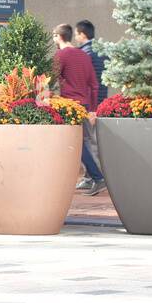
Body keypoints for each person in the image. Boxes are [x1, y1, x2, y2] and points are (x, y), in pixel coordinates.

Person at [53, 23, 106, 196]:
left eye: (54, 36)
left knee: (76, 144)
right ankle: (92, 177)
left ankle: (98, 178)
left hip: (69, 106)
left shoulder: (61, 55)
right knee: (85, 142)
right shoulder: (83, 55)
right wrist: (91, 108)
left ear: (59, 37)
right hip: (84, 105)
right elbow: (94, 84)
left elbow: (49, 80)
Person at [74, 20, 106, 191]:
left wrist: (91, 108)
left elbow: (89, 83)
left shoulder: (85, 54)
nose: (76, 37)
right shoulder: (101, 52)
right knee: (92, 140)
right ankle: (90, 176)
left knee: (89, 141)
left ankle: (96, 177)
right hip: (100, 101)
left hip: (90, 103)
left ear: (82, 34)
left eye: (77, 34)